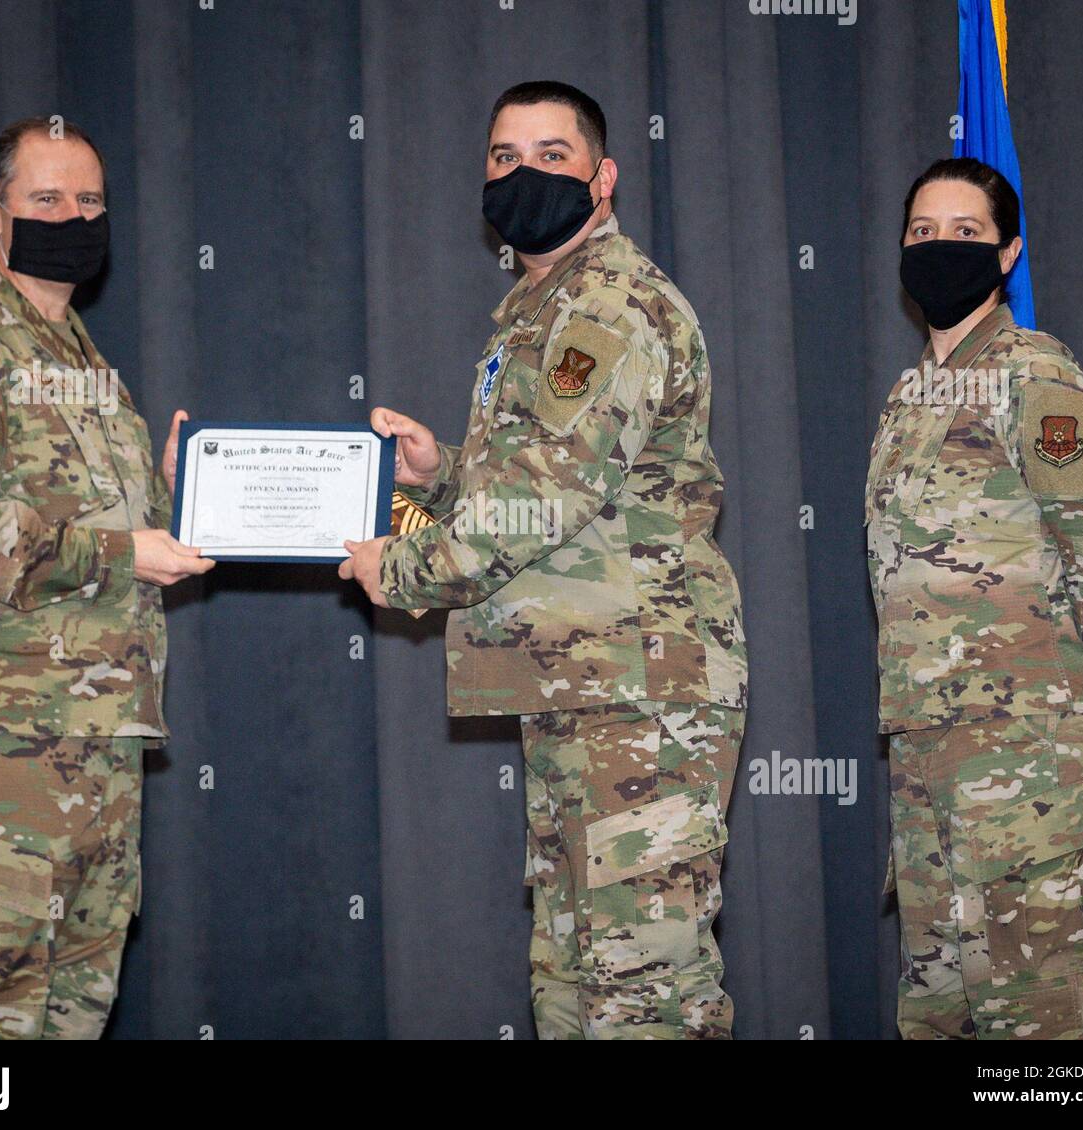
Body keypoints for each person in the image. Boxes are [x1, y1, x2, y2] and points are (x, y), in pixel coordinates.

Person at [340, 81, 747, 1039]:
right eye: (503, 157)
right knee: (574, 986)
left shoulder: (606, 305)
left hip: (640, 693)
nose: (524, 173)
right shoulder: (539, 307)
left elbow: (541, 502)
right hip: (581, 685)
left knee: (644, 995)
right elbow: (554, 492)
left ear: (602, 178)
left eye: (551, 155)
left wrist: (396, 569)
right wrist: (439, 479)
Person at [0, 116, 213, 1039]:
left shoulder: (91, 370)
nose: (74, 217)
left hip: (99, 766)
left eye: (91, 201)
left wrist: (180, 494)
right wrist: (121, 549)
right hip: (2, 776)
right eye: (48, 200)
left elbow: (114, 538)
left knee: (73, 1018)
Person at [868, 156, 1083, 1039]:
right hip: (928, 758)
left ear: (1008, 251)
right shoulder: (908, 395)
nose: (938, 248)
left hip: (1027, 757)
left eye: (964, 234)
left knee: (1047, 1020)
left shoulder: (1037, 373)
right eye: (921, 233)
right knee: (940, 1011)